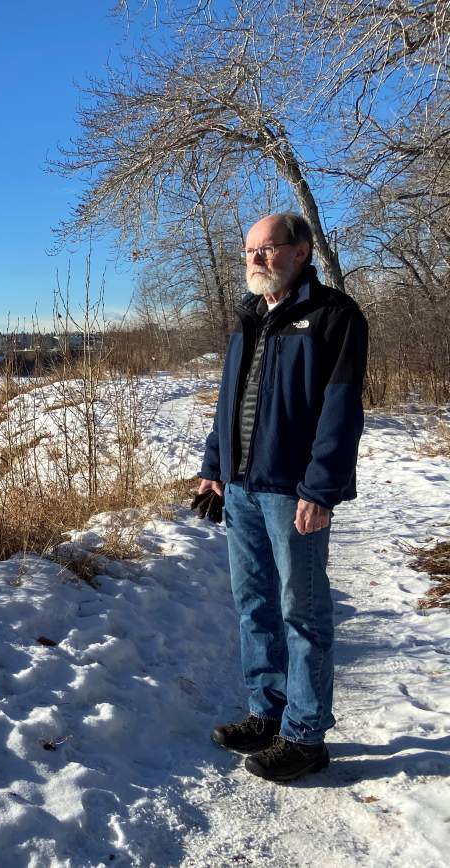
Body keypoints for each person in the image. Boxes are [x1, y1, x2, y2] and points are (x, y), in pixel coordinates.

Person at [197, 212, 369, 782]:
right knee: (254, 606)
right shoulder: (249, 318)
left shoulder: (333, 317)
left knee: (303, 611)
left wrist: (321, 488)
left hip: (293, 493)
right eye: (249, 250)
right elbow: (230, 403)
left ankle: (305, 734)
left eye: (267, 250)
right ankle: (267, 711)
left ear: (300, 251)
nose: (255, 260)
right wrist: (214, 468)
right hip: (243, 488)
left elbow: (340, 414)